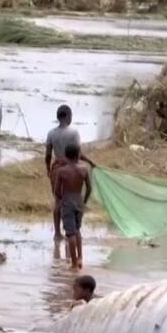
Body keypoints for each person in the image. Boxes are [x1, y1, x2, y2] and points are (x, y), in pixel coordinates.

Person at [44, 105, 95, 241]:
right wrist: (90, 162)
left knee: (58, 201)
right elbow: (77, 153)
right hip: (72, 169)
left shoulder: (51, 133)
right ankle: (74, 231)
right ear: (68, 116)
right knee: (73, 198)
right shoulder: (74, 133)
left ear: (58, 117)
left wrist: (48, 169)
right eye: (71, 115)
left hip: (57, 168)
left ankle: (57, 233)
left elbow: (48, 155)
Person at [53, 143, 92, 270]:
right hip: (79, 202)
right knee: (77, 230)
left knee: (70, 234)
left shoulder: (61, 171)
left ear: (66, 156)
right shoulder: (84, 169)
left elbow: (56, 191)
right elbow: (89, 188)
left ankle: (74, 264)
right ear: (78, 155)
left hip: (67, 203)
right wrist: (84, 201)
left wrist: (61, 199)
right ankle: (80, 257)